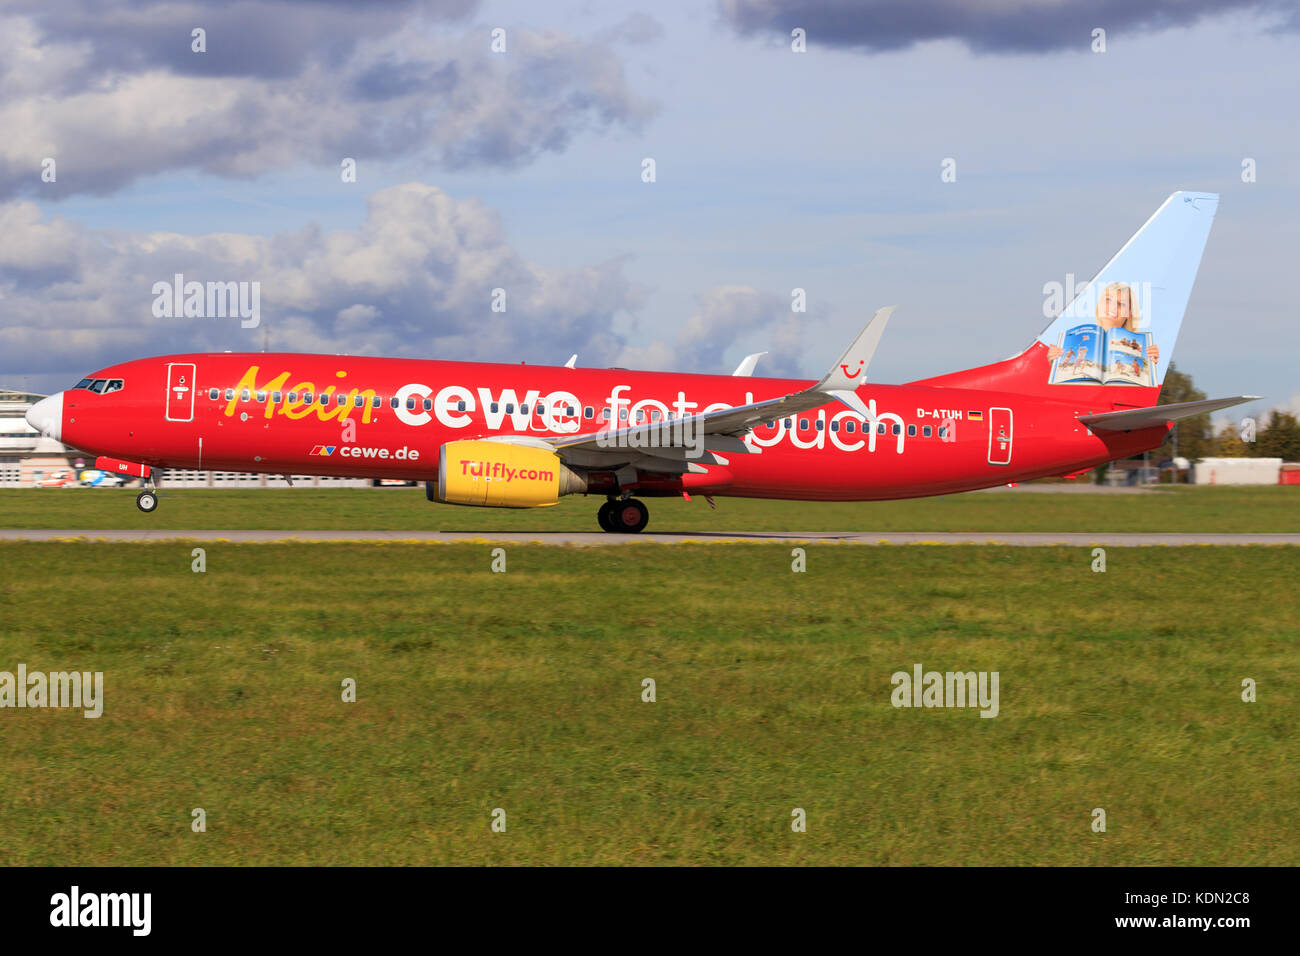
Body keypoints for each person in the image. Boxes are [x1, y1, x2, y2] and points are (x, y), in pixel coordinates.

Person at [1047, 282, 1159, 366]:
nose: (1113, 307)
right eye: (1108, 300)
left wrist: (1150, 365)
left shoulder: (1142, 346)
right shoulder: (1070, 338)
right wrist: (1053, 363)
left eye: (1121, 304)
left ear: (1129, 313)